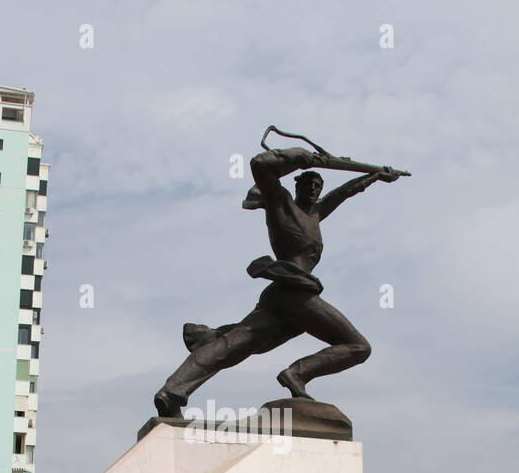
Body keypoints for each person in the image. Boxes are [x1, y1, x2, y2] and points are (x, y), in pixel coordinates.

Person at [153, 146, 399, 417]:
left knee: (232, 346)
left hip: (283, 295)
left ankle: (173, 390)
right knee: (358, 347)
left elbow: (344, 193)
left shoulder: (314, 215)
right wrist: (299, 156)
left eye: (318, 185)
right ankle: (297, 373)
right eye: (308, 183)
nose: (314, 189)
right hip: (295, 294)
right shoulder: (280, 201)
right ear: (297, 186)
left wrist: (375, 176)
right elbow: (260, 164)